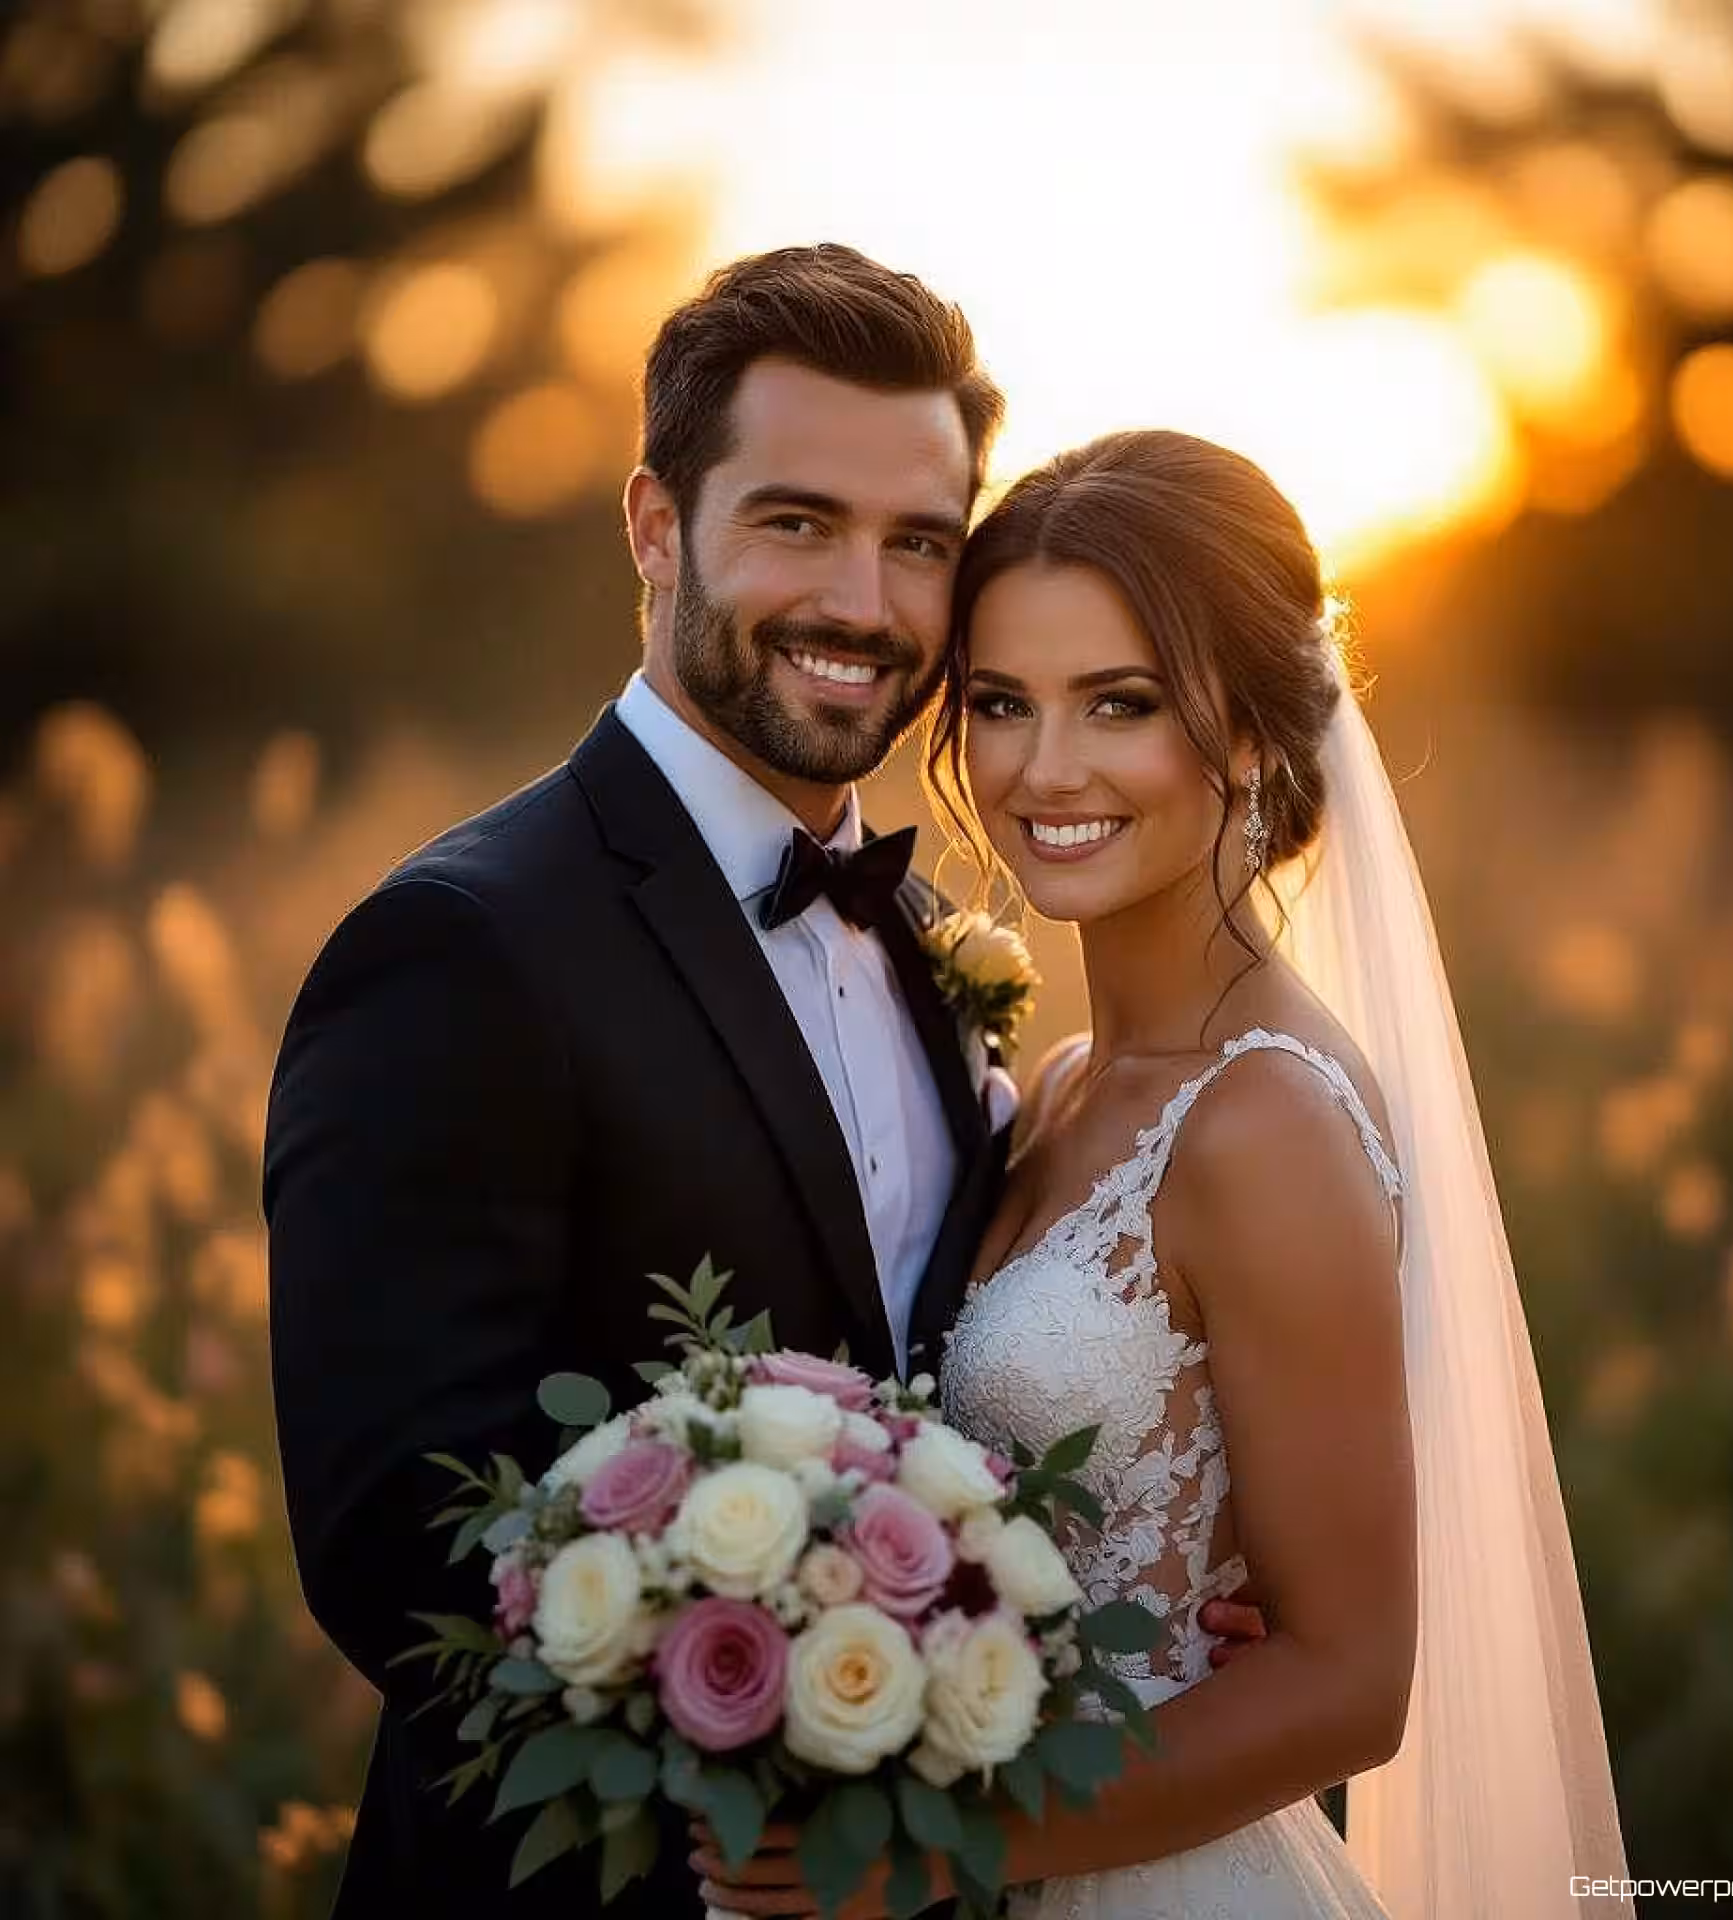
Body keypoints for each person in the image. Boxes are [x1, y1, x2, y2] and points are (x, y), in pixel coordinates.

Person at [265, 252, 1263, 1917]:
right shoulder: (460, 950)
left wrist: (1137, 1605)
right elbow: (398, 1548)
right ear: (656, 526)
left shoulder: (934, 939)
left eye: (919, 542)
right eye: (798, 523)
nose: (863, 604)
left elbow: (953, 1392)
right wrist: (793, 1776)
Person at [697, 431, 1633, 1918]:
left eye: (1119, 704)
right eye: (1002, 703)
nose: (1045, 769)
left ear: (1249, 734)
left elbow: (1348, 1686)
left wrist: (925, 1852)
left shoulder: (1263, 1122)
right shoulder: (1069, 1081)